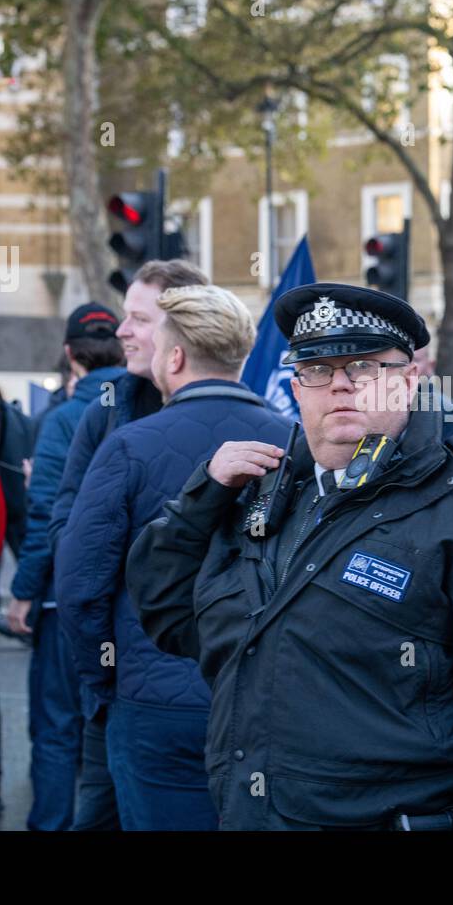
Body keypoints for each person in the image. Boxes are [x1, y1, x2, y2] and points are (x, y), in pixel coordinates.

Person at [129, 283, 453, 830]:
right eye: (319, 368)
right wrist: (201, 500)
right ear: (297, 387)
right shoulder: (260, 490)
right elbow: (170, 616)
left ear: (411, 379)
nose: (342, 385)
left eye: (366, 367)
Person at [57, 285, 289, 830]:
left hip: (153, 705)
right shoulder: (292, 441)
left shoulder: (129, 446)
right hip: (263, 701)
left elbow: (78, 584)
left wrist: (104, 678)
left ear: (176, 357)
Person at [47, 259, 206, 831]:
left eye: (137, 318)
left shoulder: (249, 418)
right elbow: (68, 538)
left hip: (208, 691)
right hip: (116, 689)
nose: (121, 332)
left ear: (179, 331)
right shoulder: (107, 409)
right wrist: (100, 674)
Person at [7, 302, 124, 831]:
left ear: (70, 354)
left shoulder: (62, 418)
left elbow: (46, 515)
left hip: (66, 597)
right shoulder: (146, 406)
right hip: (129, 598)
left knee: (56, 725)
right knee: (113, 723)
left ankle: (50, 824)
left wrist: (25, 592)